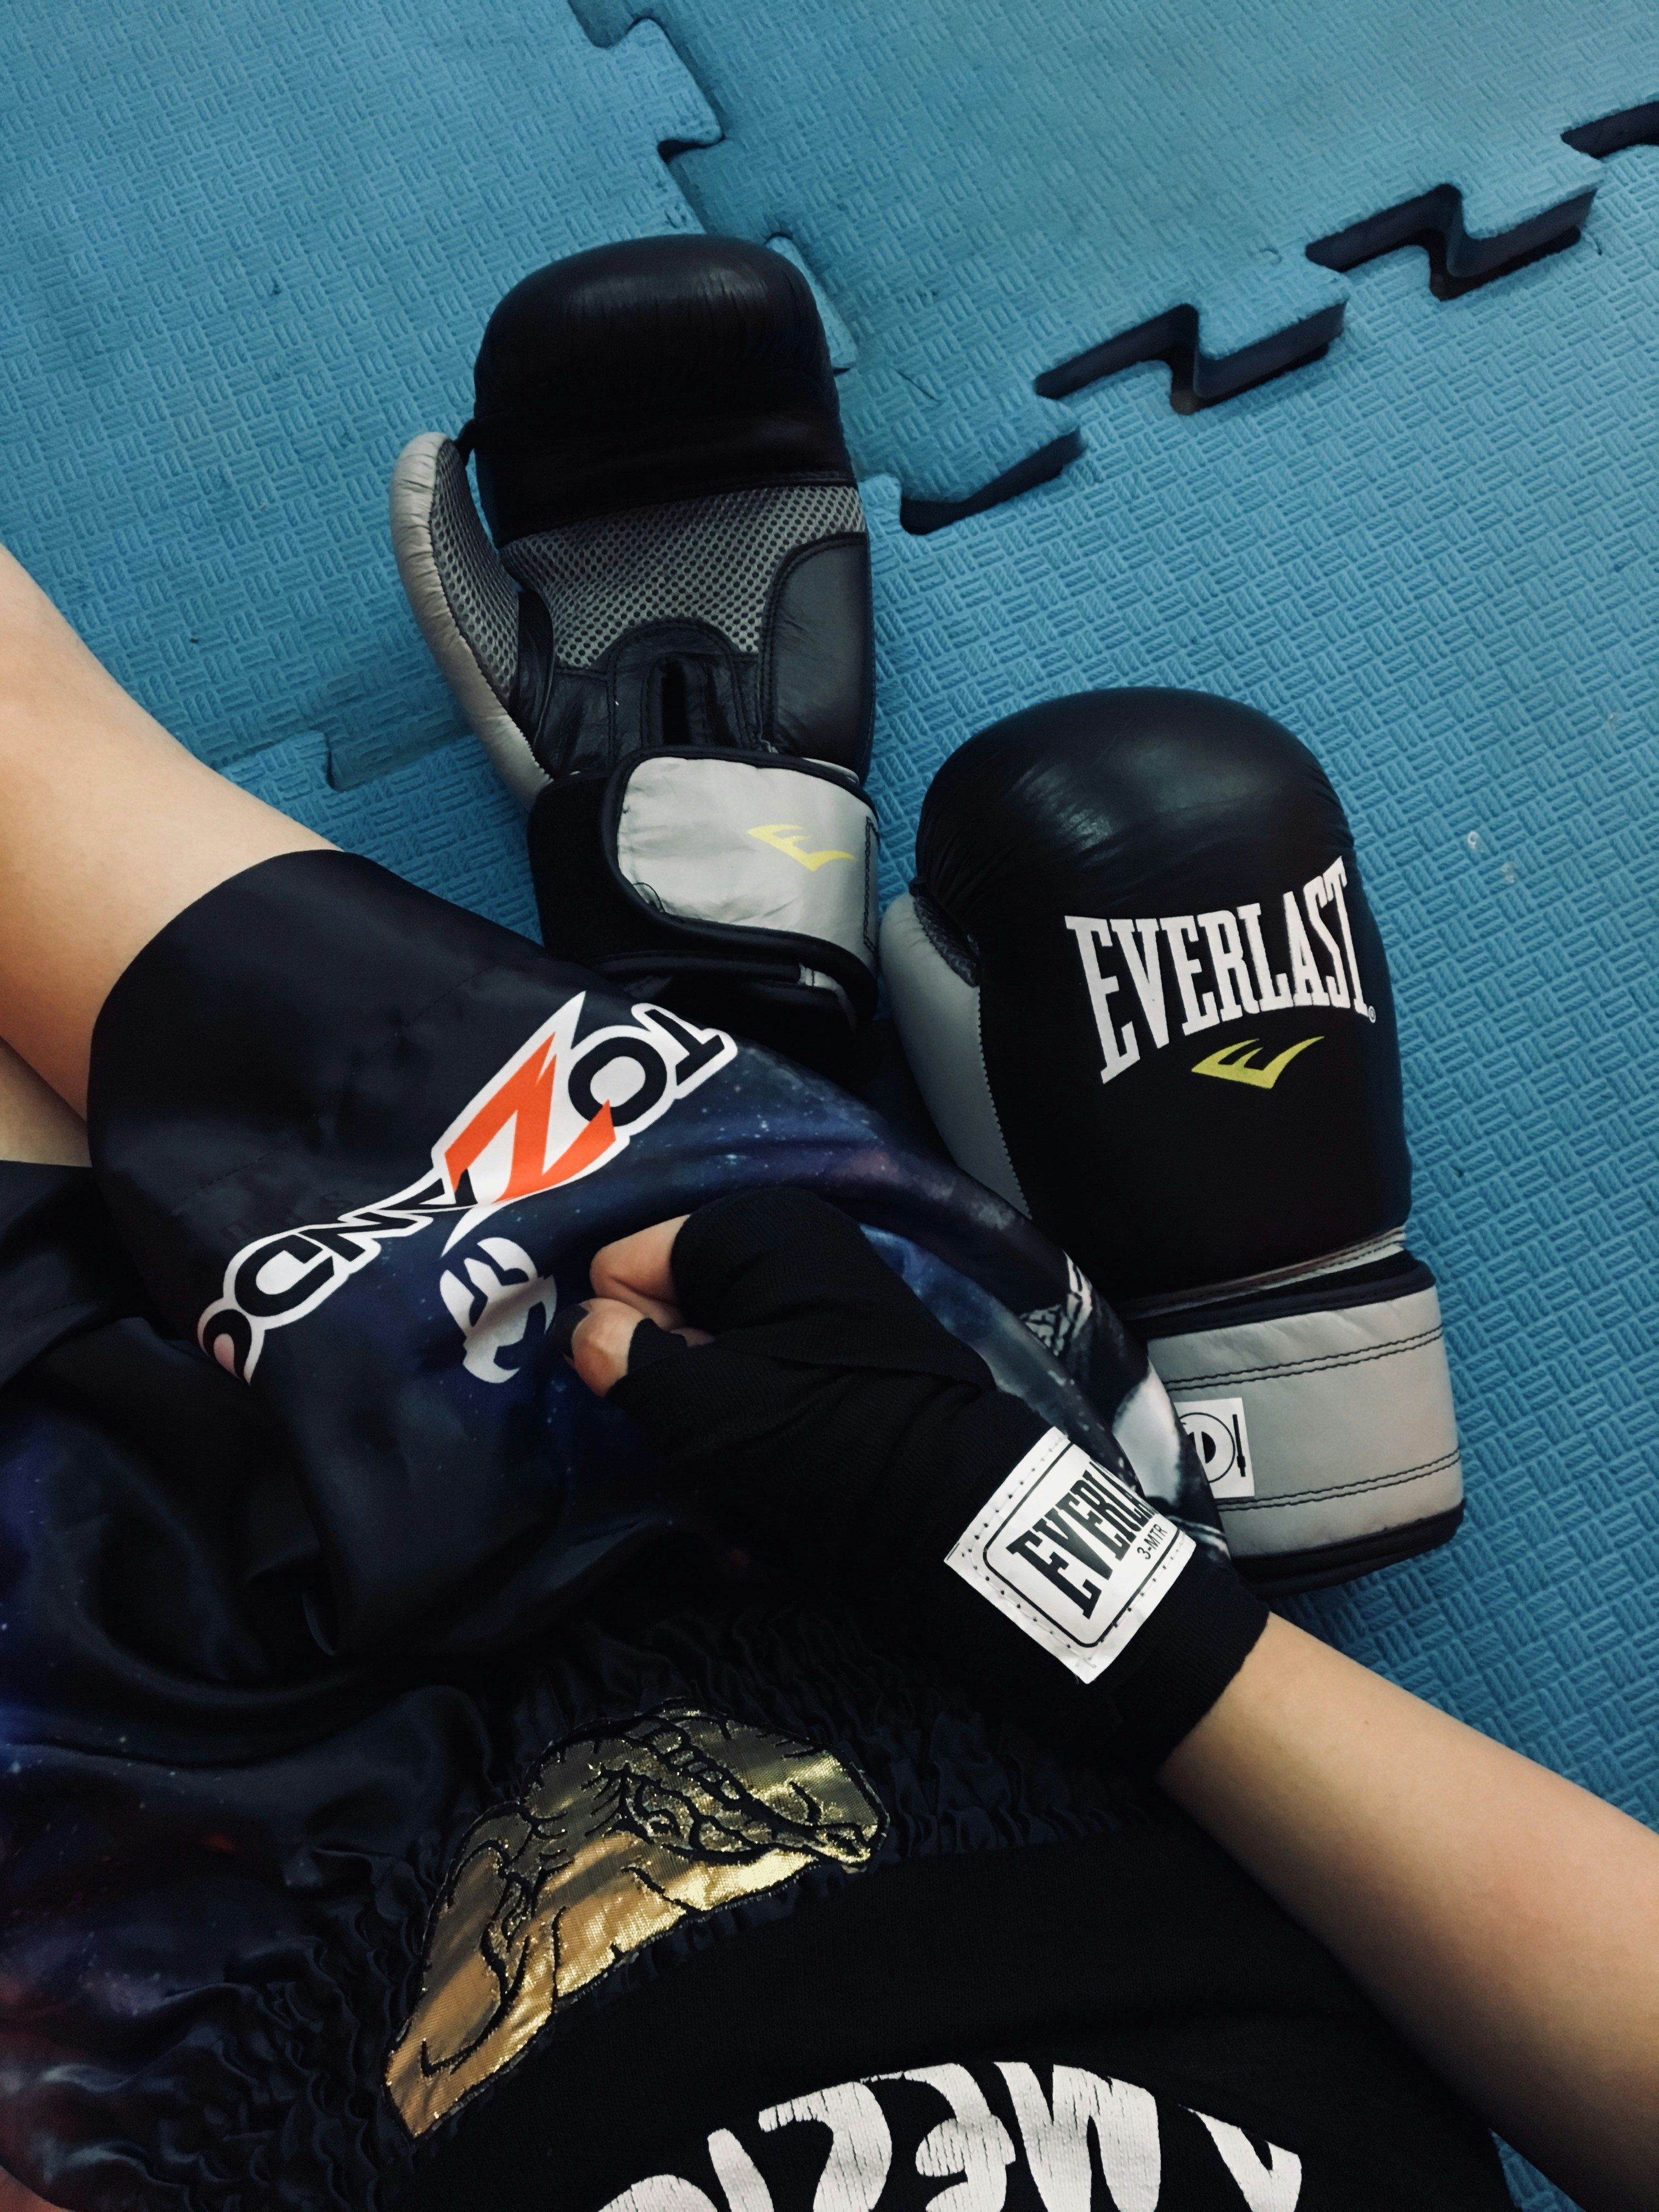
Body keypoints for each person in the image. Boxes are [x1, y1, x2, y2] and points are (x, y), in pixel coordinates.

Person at [2, 534, 1658, 2212]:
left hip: (216, 2014)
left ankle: (718, 918)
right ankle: (729, 953)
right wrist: (1029, 1545)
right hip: (907, 1636)